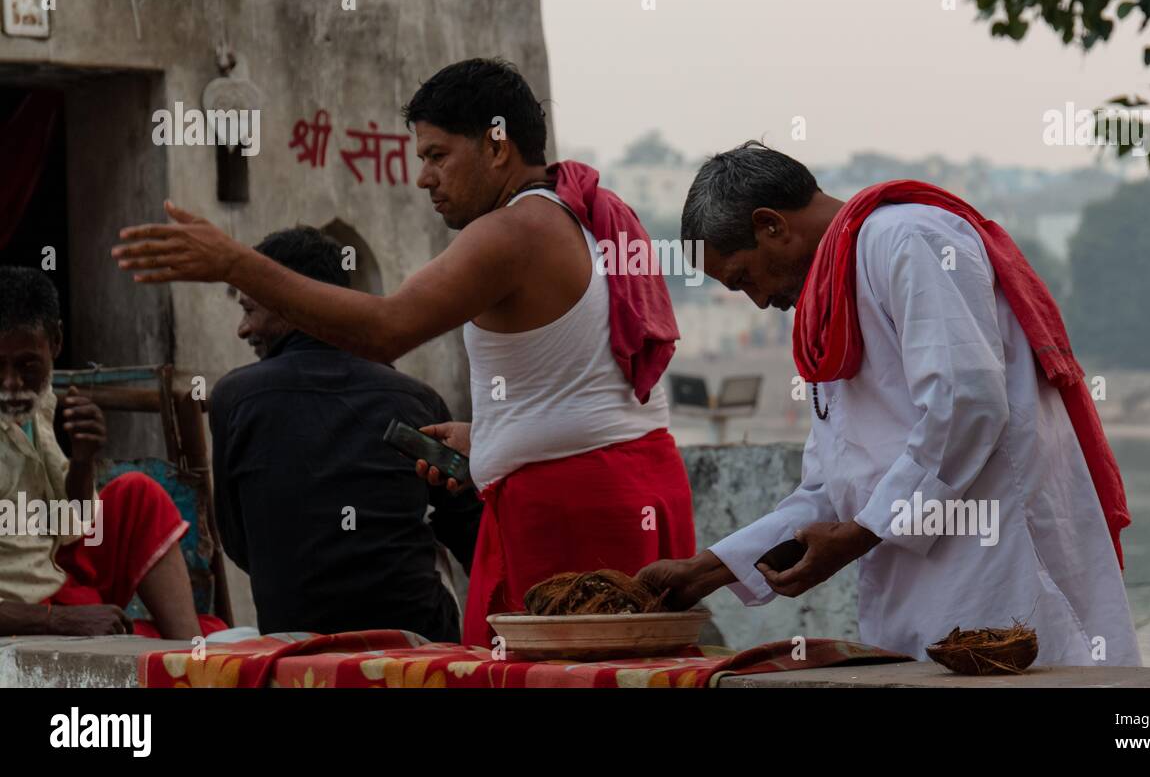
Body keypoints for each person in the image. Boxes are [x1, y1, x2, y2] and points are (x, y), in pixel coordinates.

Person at [113, 58, 695, 646]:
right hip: (621, 491)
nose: (424, 178)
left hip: (576, 508)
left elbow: (387, 330)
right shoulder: (575, 213)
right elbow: (581, 383)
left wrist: (233, 262)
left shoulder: (513, 231)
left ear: (497, 146)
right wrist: (490, 434)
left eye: (437, 156)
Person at [639, 143, 1140, 666]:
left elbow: (966, 404)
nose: (759, 300)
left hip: (1002, 567)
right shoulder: (831, 296)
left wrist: (862, 533)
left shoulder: (905, 238)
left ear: (771, 226)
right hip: (918, 591)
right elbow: (831, 488)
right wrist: (706, 571)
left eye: (744, 278)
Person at [209, 226, 480, 642]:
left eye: (250, 309)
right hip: (416, 646)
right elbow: (471, 537)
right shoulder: (415, 400)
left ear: (291, 304)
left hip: (294, 648)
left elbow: (241, 545)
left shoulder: (234, 398)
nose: (243, 329)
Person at [0, 266, 210, 639]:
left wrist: (83, 460)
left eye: (27, 365)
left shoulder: (40, 404)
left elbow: (72, 519)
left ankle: (194, 661)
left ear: (56, 343)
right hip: (21, 611)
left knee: (137, 495)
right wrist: (56, 621)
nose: (11, 384)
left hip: (53, 578)